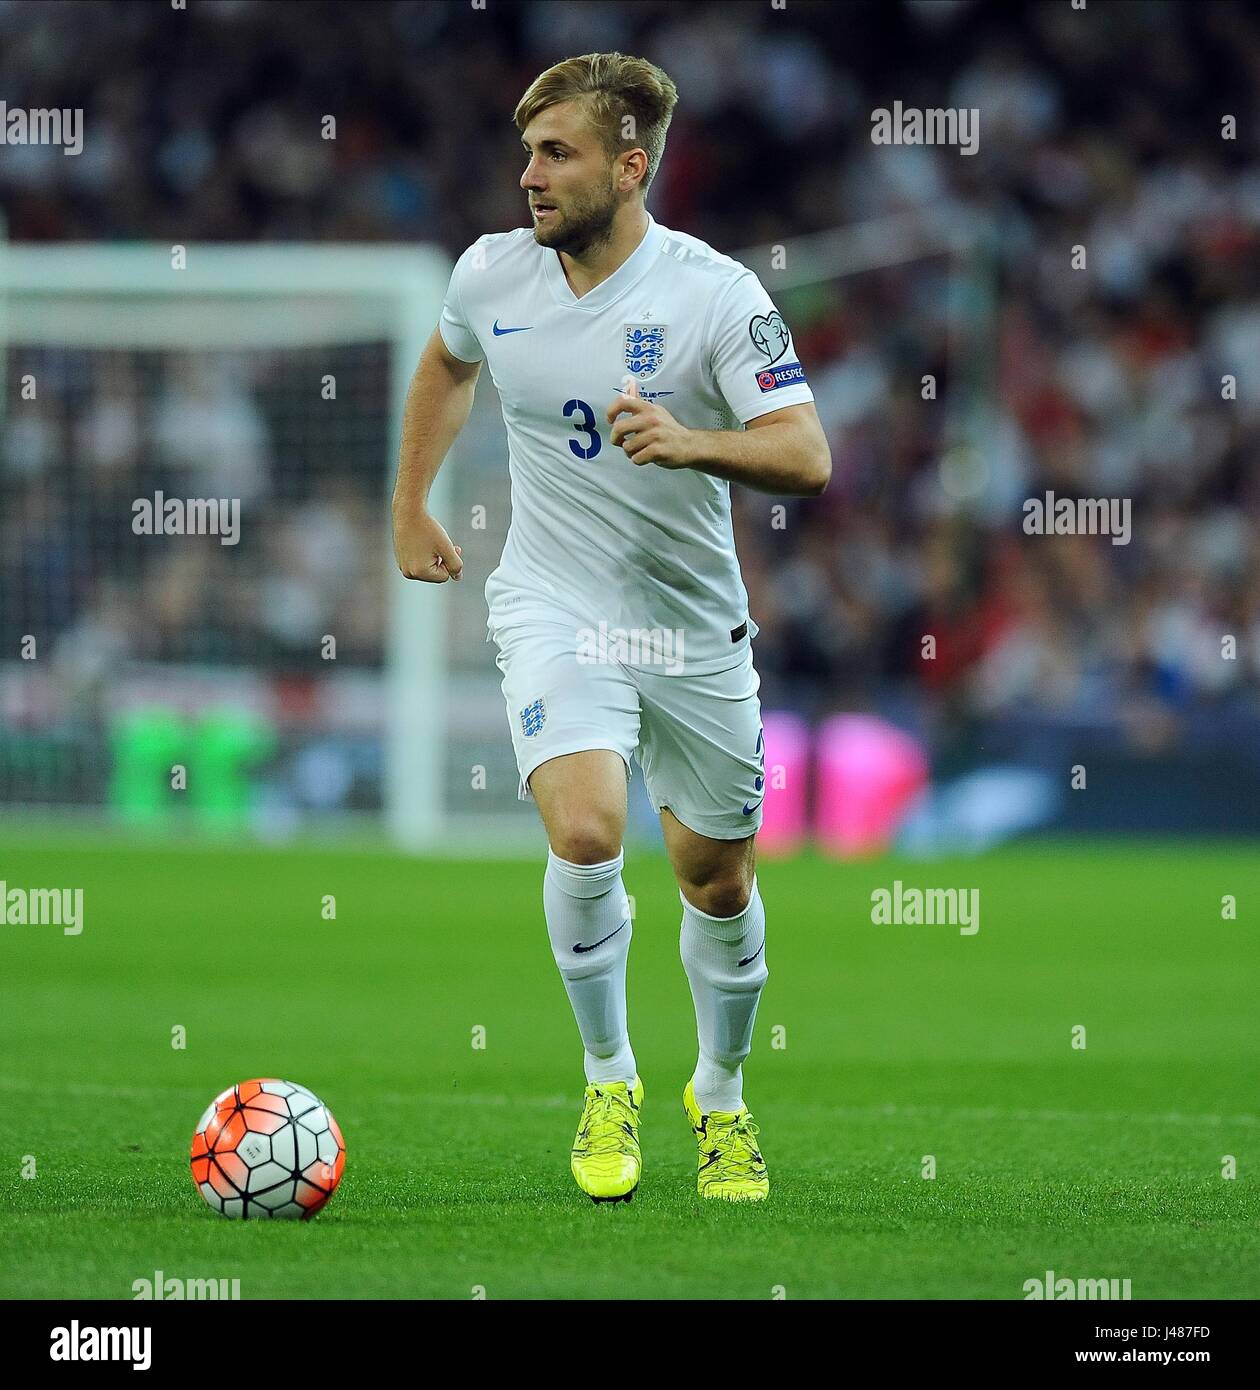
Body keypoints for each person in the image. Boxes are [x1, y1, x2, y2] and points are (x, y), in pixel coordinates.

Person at [392, 51, 830, 1204]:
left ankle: (723, 1098)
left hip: (690, 621)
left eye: (557, 154)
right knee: (586, 831)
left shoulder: (716, 295)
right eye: (526, 153)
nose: (528, 176)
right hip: (553, 599)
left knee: (716, 878)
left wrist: (697, 441)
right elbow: (445, 365)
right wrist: (410, 506)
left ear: (630, 167)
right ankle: (607, 1076)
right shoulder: (492, 275)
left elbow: (806, 455)